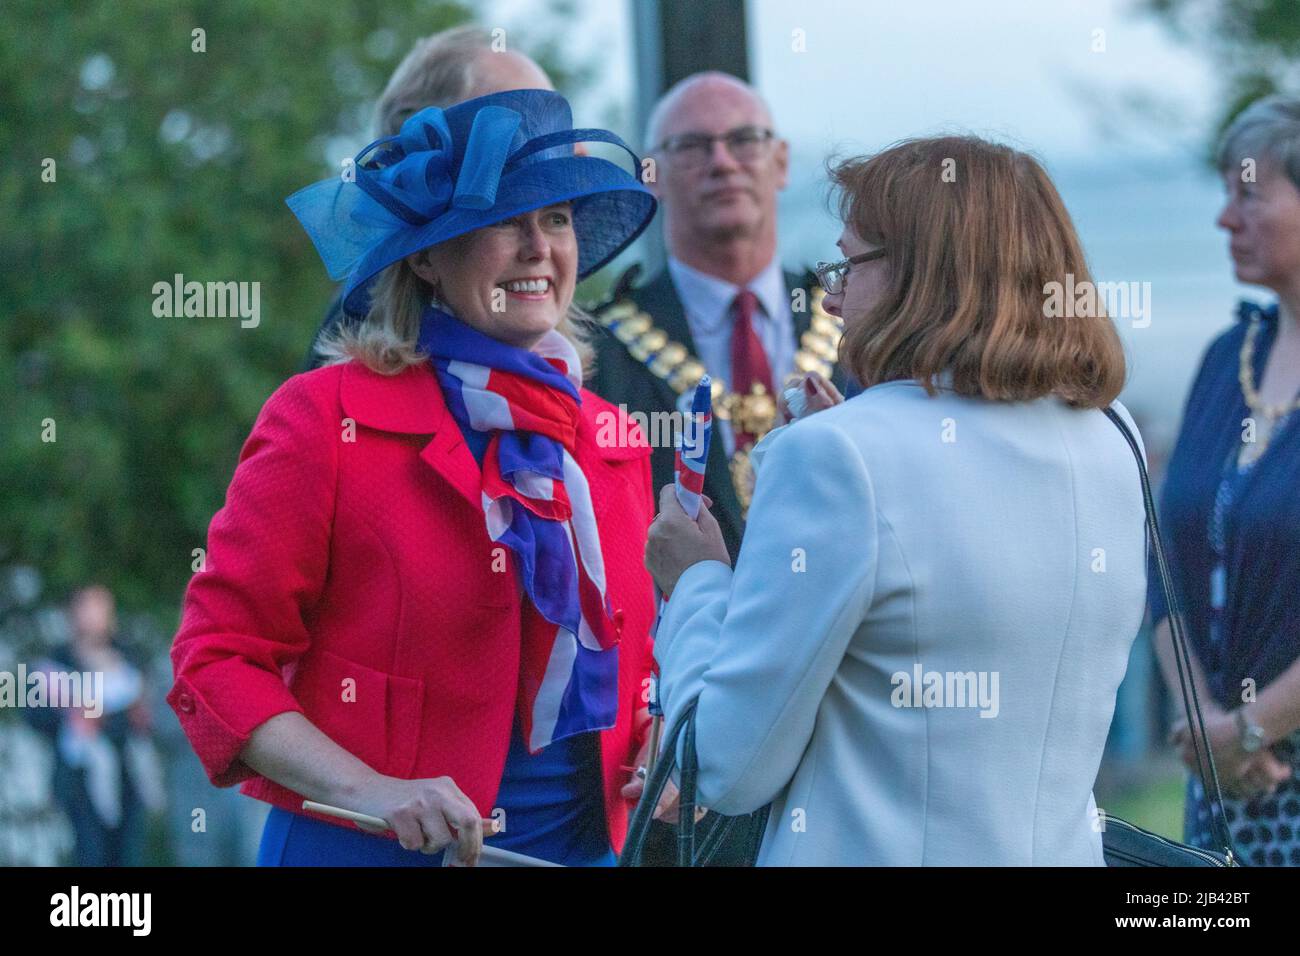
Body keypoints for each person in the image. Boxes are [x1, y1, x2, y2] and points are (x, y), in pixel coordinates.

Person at [169, 88, 661, 866]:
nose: (539, 246)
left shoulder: (610, 433)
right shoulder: (323, 418)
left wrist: (657, 741)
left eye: (557, 219)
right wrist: (373, 790)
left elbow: (644, 657)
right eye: (503, 220)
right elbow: (217, 662)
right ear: (427, 257)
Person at [644, 135, 1149, 866]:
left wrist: (695, 582)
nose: (831, 294)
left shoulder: (838, 458)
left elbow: (725, 767)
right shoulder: (1112, 430)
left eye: (849, 263)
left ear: (923, 271)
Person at [590, 71, 848, 562]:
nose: (722, 162)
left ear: (781, 161)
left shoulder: (854, 327)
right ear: (652, 174)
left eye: (744, 140)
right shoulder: (601, 352)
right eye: (691, 146)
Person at [1152, 94, 1300, 867]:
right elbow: (1164, 568)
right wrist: (1205, 726)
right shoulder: (1224, 360)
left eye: (1248, 193)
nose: (1224, 218)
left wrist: (1246, 731)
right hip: (1216, 777)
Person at [301, 25, 558, 370]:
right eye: (510, 121)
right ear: (424, 142)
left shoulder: (564, 363)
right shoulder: (351, 356)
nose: (548, 151)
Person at [27, 585, 161, 866]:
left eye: (101, 608)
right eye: (88, 608)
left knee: (128, 856)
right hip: (77, 782)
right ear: (73, 613)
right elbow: (34, 717)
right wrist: (71, 715)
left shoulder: (128, 655)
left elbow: (145, 715)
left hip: (128, 777)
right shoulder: (56, 661)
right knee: (90, 854)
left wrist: (107, 717)